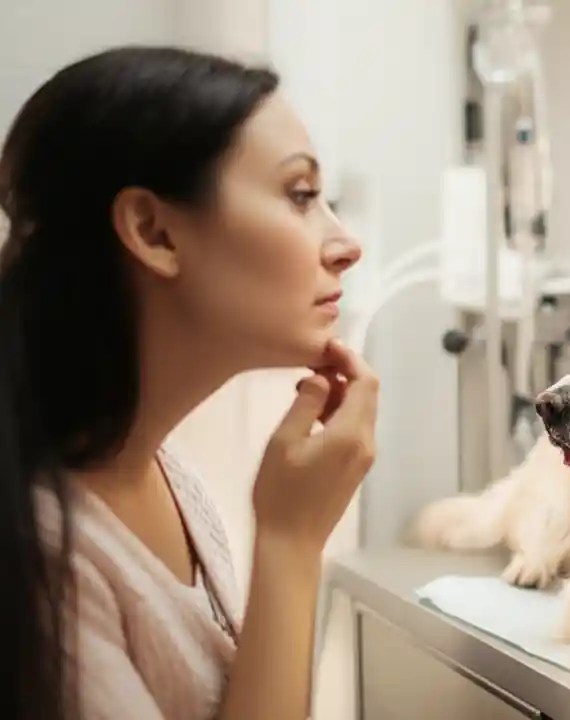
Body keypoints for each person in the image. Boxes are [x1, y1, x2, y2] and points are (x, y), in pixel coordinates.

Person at [2, 46, 379, 720]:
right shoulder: (37, 559)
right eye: (300, 195)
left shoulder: (169, 478)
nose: (346, 244)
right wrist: (289, 546)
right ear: (154, 231)